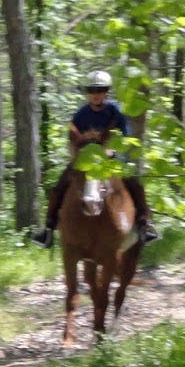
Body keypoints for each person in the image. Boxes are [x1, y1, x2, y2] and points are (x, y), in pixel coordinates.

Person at [33, 69, 158, 249]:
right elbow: (73, 139)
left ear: (106, 92)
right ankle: (48, 229)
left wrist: (109, 151)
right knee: (59, 186)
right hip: (85, 160)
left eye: (100, 90)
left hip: (111, 158)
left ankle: (143, 225)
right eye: (92, 90)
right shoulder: (80, 115)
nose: (95, 94)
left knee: (135, 184)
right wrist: (76, 156)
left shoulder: (116, 112)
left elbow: (124, 137)